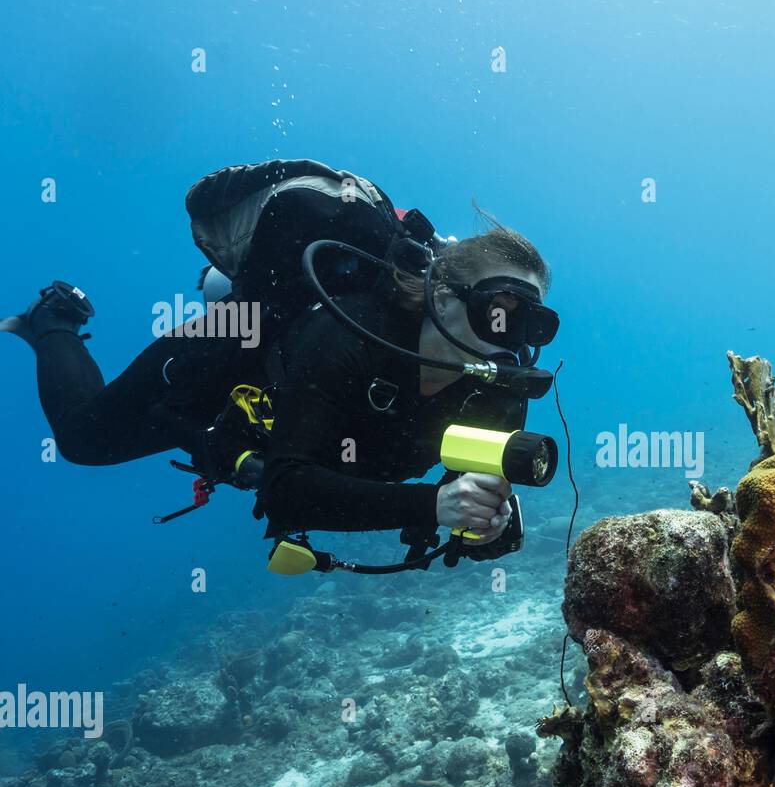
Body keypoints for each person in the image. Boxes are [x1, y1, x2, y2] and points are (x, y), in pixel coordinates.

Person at [2, 180, 557, 554]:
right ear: (442, 292)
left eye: (531, 326)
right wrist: (433, 504)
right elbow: (287, 489)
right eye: (498, 311)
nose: (507, 342)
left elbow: (468, 488)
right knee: (82, 439)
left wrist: (488, 522)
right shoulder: (347, 333)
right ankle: (54, 318)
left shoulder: (499, 386)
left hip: (313, 428)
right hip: (238, 350)